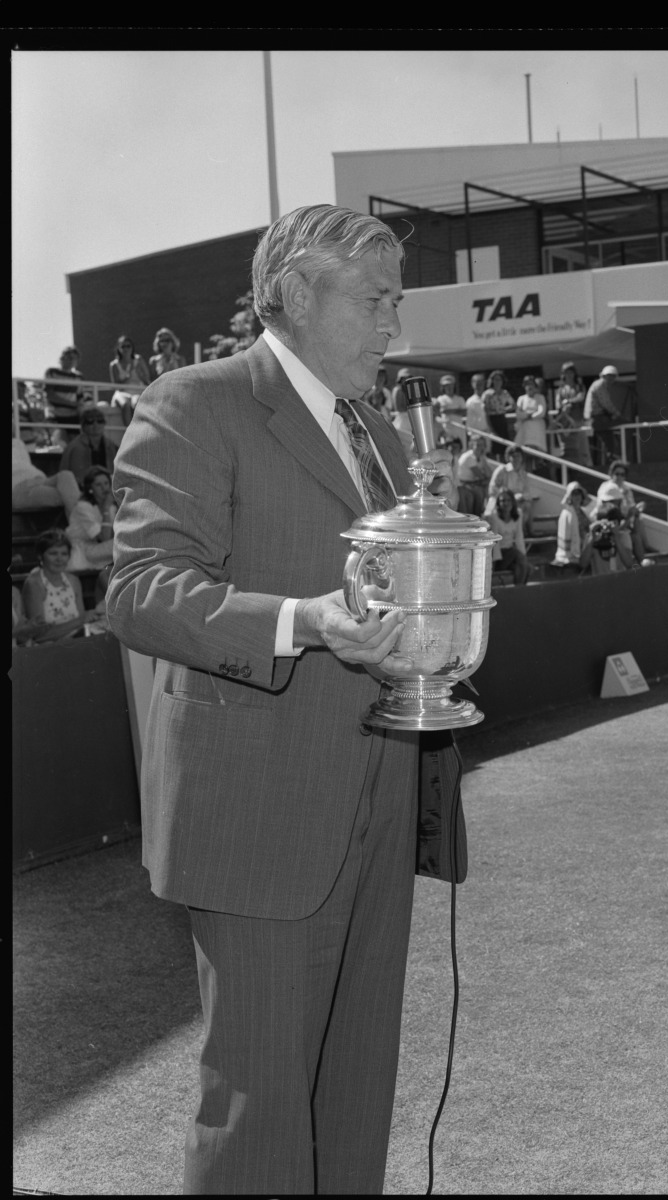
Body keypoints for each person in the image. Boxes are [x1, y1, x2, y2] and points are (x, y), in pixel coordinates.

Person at [106, 203, 455, 1195]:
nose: (394, 324)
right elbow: (141, 591)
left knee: (354, 1094)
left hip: (381, 793)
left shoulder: (381, 432)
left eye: (396, 300)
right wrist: (302, 620)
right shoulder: (196, 400)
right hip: (257, 808)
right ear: (296, 293)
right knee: (256, 1102)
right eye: (375, 300)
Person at [21, 530, 103, 642]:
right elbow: (40, 635)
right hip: (48, 648)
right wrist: (81, 620)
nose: (59, 559)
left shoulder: (73, 580)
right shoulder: (34, 584)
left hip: (76, 641)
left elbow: (82, 621)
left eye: (64, 554)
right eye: (53, 553)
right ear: (40, 556)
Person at [592, 459, 652, 565]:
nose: (619, 477)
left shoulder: (627, 489)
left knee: (637, 527)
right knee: (632, 537)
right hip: (607, 528)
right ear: (611, 474)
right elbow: (607, 512)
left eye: (622, 474)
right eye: (617, 474)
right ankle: (642, 559)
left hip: (621, 524)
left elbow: (627, 511)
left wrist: (633, 512)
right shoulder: (606, 487)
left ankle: (643, 560)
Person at [12, 432, 82, 514]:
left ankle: (82, 523)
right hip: (18, 488)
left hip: (40, 479)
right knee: (68, 495)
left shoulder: (17, 443)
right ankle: (84, 523)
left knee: (66, 475)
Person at [66, 465, 117, 576]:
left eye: (106, 483)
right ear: (90, 489)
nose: (104, 489)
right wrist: (106, 509)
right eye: (98, 485)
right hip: (84, 551)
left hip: (101, 550)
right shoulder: (82, 507)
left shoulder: (112, 507)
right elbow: (104, 537)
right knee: (125, 543)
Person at [552, 481, 603, 574]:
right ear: (569, 496)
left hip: (585, 548)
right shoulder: (566, 514)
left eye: (579, 493)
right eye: (574, 493)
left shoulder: (584, 511)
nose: (577, 496)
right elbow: (565, 538)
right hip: (571, 555)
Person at [485, 488, 533, 585]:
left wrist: (523, 556)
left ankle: (519, 591)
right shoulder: (494, 517)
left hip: (511, 553)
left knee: (522, 568)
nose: (506, 503)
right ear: (498, 503)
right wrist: (494, 564)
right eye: (503, 501)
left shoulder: (518, 513)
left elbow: (519, 537)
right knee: (521, 560)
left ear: (513, 501)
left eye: (508, 500)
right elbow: (495, 543)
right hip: (498, 555)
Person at [488, 444, 538, 533]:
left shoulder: (523, 474)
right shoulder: (502, 470)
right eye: (513, 456)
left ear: (522, 458)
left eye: (518, 456)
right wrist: (509, 496)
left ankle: (519, 533)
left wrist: (521, 496)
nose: (516, 458)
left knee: (527, 505)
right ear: (508, 457)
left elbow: (528, 492)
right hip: (502, 502)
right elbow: (492, 488)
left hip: (518, 503)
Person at [60, 407, 117, 485]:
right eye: (90, 422)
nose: (95, 424)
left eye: (99, 421)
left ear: (104, 423)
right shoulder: (73, 447)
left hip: (107, 487)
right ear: (83, 426)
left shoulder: (110, 445)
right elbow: (64, 473)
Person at [551, 361, 589, 464]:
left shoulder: (579, 387)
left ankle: (584, 467)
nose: (569, 375)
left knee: (581, 447)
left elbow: (581, 397)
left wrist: (569, 401)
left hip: (577, 421)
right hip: (565, 424)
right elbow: (558, 404)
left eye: (571, 372)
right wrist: (564, 408)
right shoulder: (560, 390)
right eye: (566, 372)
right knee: (567, 449)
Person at [584, 364, 622, 468]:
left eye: (613, 376)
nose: (611, 379)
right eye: (609, 376)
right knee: (610, 439)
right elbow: (606, 403)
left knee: (607, 439)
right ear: (604, 376)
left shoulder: (599, 384)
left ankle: (611, 457)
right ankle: (612, 458)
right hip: (597, 418)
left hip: (596, 418)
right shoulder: (600, 385)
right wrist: (616, 413)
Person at [109, 334, 152, 425]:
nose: (126, 349)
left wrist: (140, 375)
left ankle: (138, 430)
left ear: (132, 347)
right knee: (125, 404)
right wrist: (128, 375)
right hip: (122, 392)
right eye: (123, 346)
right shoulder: (114, 365)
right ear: (118, 348)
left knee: (136, 402)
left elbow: (147, 380)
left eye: (128, 346)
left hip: (138, 391)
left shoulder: (139, 359)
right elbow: (116, 386)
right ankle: (129, 433)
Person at [44, 345, 85, 424]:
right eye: (69, 357)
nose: (71, 360)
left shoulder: (78, 377)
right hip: (54, 414)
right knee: (60, 435)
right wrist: (71, 404)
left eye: (74, 358)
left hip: (73, 416)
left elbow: (80, 397)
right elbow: (50, 395)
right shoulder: (52, 372)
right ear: (62, 357)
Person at [455, 433, 493, 516]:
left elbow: (489, 474)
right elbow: (481, 476)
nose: (480, 447)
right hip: (463, 484)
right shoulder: (469, 457)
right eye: (478, 445)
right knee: (480, 492)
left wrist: (487, 478)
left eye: (482, 445)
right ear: (472, 445)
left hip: (473, 483)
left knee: (486, 489)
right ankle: (477, 516)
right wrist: (486, 478)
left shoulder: (481, 457)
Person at [514, 374, 548, 460]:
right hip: (524, 430)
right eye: (527, 384)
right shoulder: (521, 399)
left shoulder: (540, 397)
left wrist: (529, 416)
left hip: (537, 429)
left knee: (537, 455)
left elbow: (541, 412)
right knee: (523, 453)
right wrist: (528, 415)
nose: (529, 387)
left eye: (531, 384)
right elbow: (518, 414)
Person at [481, 369, 515, 446]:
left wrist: (504, 409)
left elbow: (513, 405)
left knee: (504, 441)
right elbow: (484, 410)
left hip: (501, 419)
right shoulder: (487, 394)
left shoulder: (505, 393)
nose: (497, 382)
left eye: (499, 380)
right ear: (492, 381)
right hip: (492, 419)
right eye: (495, 380)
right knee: (494, 442)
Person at [435, 373, 468, 450]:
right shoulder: (440, 399)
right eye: (447, 386)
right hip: (446, 430)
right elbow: (440, 412)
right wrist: (457, 410)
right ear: (443, 387)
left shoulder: (460, 399)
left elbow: (464, 412)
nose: (449, 388)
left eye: (451, 385)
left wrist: (450, 411)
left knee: (461, 450)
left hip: (459, 429)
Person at [464, 372, 491, 438]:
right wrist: (471, 433)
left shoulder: (489, 398)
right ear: (472, 384)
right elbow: (469, 419)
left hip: (488, 434)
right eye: (476, 383)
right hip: (475, 434)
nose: (479, 385)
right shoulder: (470, 401)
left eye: (481, 383)